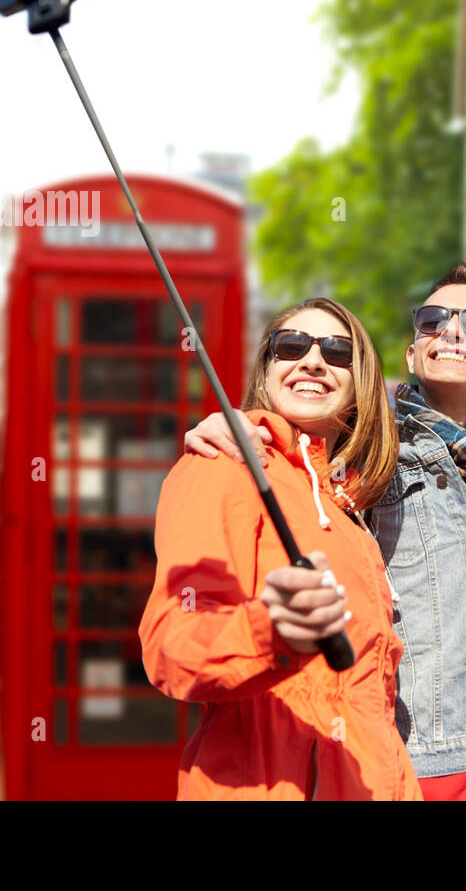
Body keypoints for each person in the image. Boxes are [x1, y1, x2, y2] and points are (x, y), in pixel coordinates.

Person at [140, 297, 421, 800]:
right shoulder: (223, 465)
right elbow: (171, 647)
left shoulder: (348, 510)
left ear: (362, 385)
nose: (312, 360)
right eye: (290, 346)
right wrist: (271, 631)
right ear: (267, 371)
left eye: (337, 352)